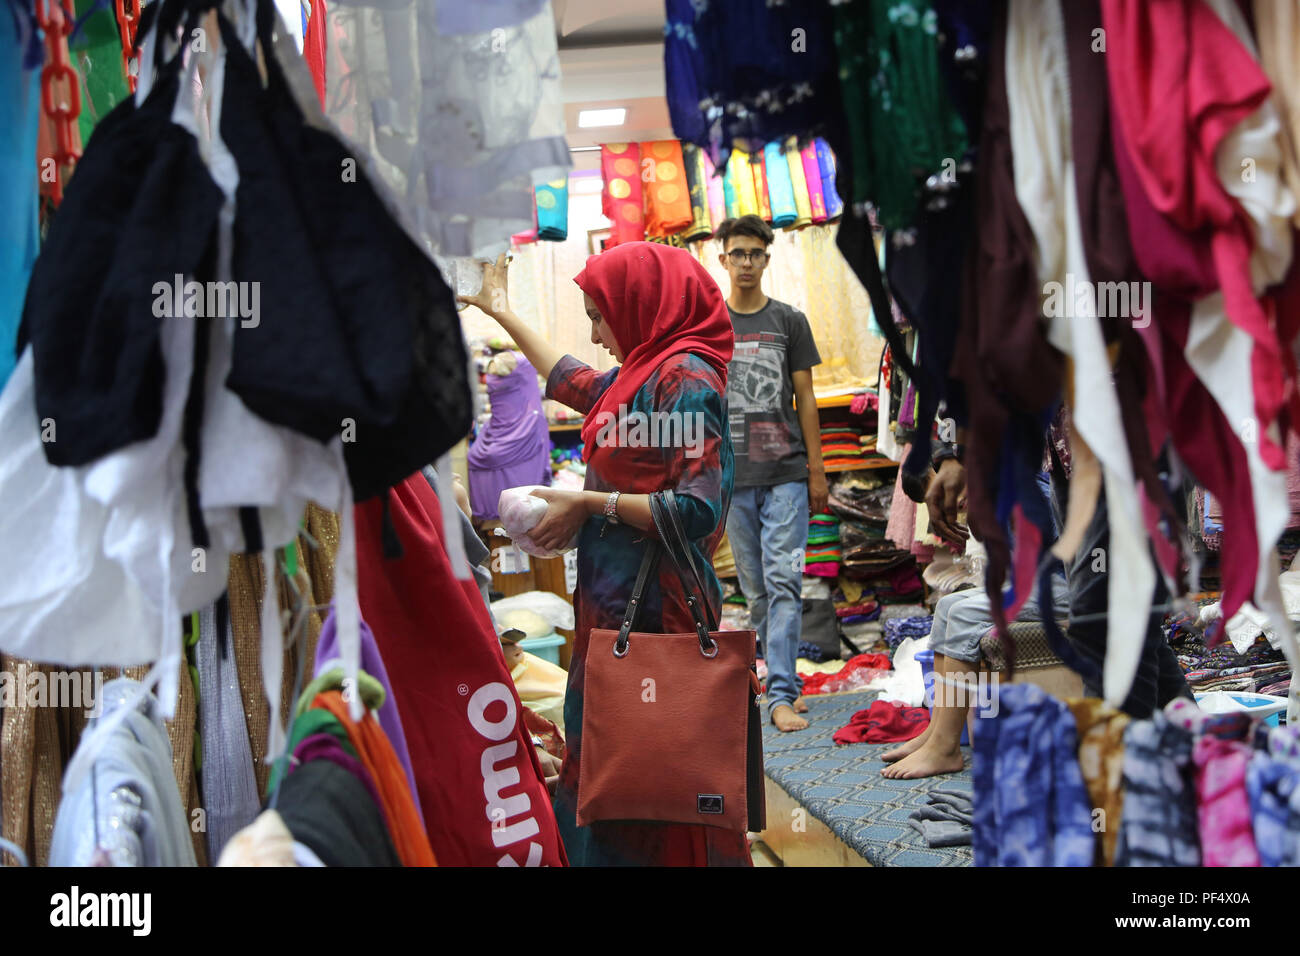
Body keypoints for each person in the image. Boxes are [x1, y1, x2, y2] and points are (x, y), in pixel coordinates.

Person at [457, 242, 749, 867]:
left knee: (654, 771)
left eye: (599, 315)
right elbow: (572, 381)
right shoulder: (645, 373)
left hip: (657, 612)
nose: (594, 334)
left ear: (641, 306)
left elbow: (696, 509)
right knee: (618, 766)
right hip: (614, 609)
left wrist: (588, 504)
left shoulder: (685, 377)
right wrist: (501, 311)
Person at [713, 214, 825, 733]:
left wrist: (816, 471)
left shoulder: (789, 321)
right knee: (757, 591)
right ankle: (780, 680)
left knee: (785, 580)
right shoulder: (710, 324)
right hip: (733, 478)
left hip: (785, 473)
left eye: (755, 254)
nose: (746, 263)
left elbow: (806, 399)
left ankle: (780, 693)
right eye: (738, 253)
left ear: (766, 259)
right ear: (723, 259)